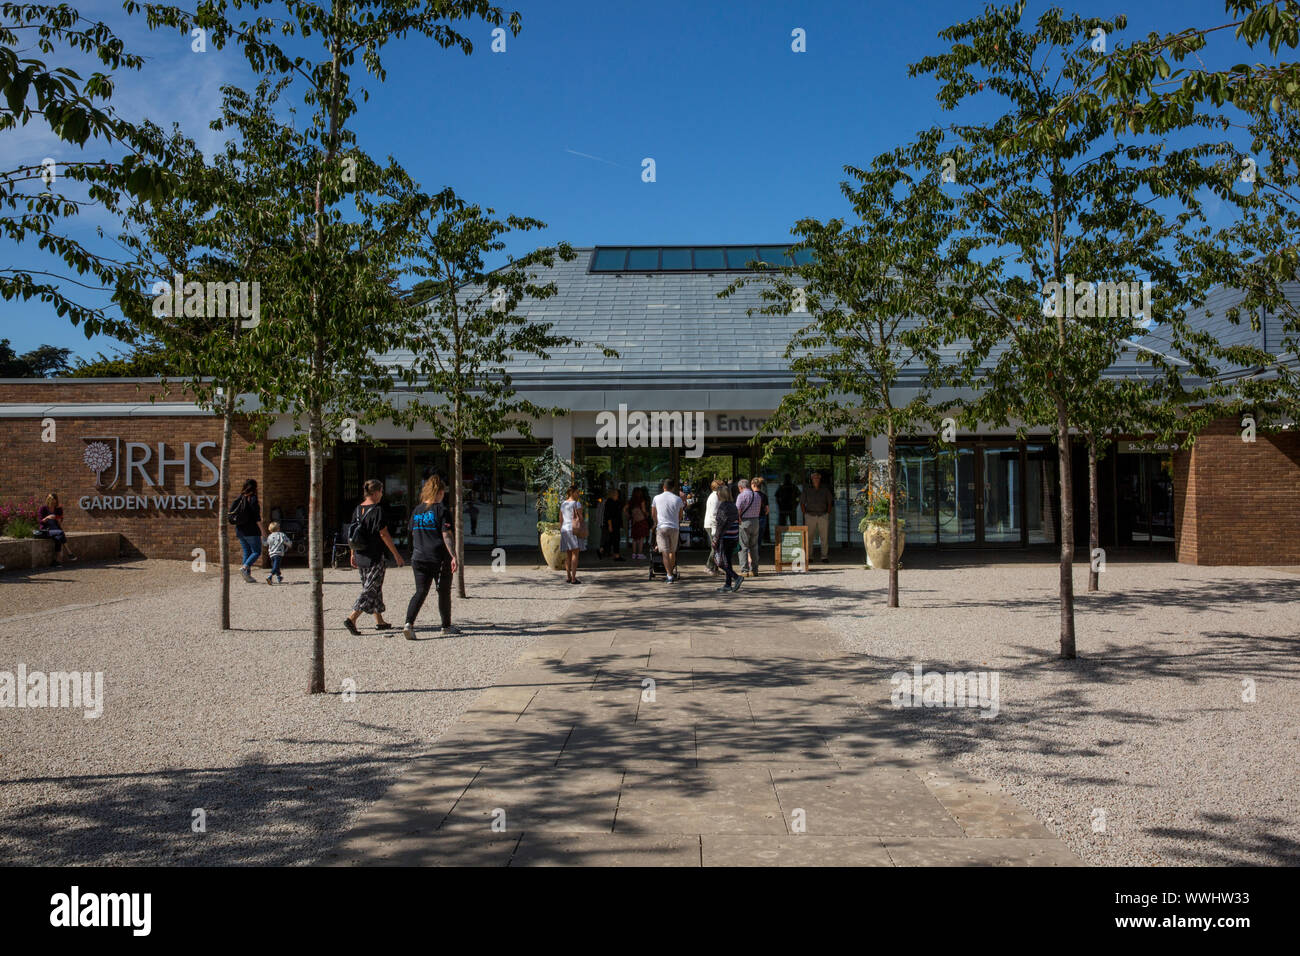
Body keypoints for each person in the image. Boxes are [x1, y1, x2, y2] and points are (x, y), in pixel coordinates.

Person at [344, 479, 404, 635]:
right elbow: (383, 534)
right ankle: (352, 618)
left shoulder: (358, 509)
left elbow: (352, 533)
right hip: (374, 556)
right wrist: (396, 554)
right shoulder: (377, 510)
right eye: (382, 491)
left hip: (360, 553)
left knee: (372, 586)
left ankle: (379, 621)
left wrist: (352, 554)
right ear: (376, 492)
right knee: (370, 589)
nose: (382, 494)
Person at [404, 473, 459, 639]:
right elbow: (446, 535)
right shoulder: (442, 510)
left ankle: (408, 623)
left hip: (418, 556)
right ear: (440, 492)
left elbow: (412, 533)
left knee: (420, 591)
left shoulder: (417, 510)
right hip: (439, 557)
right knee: (443, 592)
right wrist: (454, 555)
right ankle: (446, 626)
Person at [229, 479, 265, 583]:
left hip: (240, 530)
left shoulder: (240, 497)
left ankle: (247, 576)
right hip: (252, 531)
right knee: (256, 551)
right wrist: (263, 532)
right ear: (255, 487)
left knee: (247, 552)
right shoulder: (253, 499)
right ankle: (245, 568)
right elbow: (257, 518)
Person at [651, 477, 685, 582]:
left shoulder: (656, 498)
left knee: (664, 553)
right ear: (673, 488)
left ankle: (669, 575)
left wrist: (656, 522)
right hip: (674, 527)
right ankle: (671, 572)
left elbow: (653, 514)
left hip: (661, 527)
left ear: (663, 487)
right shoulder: (678, 499)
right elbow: (680, 516)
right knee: (672, 552)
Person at [711, 485, 743, 593]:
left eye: (717, 493)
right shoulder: (733, 506)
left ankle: (736, 577)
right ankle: (728, 584)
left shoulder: (723, 506)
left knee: (720, 562)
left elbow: (720, 525)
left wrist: (715, 539)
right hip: (733, 536)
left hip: (725, 537)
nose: (716, 495)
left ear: (721, 494)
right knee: (728, 561)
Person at [801, 470, 834, 563]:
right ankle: (810, 557)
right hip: (810, 515)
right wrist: (805, 514)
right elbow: (802, 502)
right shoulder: (807, 489)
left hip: (823, 515)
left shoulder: (825, 489)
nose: (815, 479)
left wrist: (828, 512)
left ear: (820, 478)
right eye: (814, 477)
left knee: (824, 537)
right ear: (811, 479)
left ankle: (824, 556)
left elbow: (830, 501)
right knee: (809, 537)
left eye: (817, 477)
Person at [36, 493, 76, 565]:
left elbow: (60, 521)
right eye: (51, 502)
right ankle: (69, 552)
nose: (53, 504)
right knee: (60, 533)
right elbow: (40, 521)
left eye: (54, 502)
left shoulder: (58, 509)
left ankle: (56, 561)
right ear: (48, 501)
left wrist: (59, 520)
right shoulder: (43, 509)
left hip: (55, 529)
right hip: (46, 531)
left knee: (58, 538)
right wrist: (47, 517)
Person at [735, 477, 764, 576]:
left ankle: (744, 570)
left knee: (743, 547)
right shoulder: (757, 496)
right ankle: (755, 570)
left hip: (744, 522)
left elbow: (737, 511)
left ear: (740, 487)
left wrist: (738, 520)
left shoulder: (741, 496)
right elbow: (759, 510)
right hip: (756, 521)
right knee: (754, 546)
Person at [559, 485, 587, 584]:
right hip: (574, 529)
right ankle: (574, 578)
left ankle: (568, 576)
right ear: (572, 493)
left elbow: (560, 519)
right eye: (577, 492)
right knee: (575, 554)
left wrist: (561, 529)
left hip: (564, 529)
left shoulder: (563, 504)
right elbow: (581, 518)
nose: (578, 494)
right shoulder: (577, 504)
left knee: (568, 554)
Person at [702, 479, 723, 575]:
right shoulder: (715, 497)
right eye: (722, 485)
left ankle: (714, 567)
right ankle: (709, 566)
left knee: (716, 546)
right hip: (712, 525)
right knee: (715, 547)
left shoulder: (716, 496)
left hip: (712, 524)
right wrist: (716, 527)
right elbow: (714, 513)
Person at [600, 488, 624, 561]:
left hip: (616, 524)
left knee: (613, 539)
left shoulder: (616, 502)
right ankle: (615, 555)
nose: (617, 495)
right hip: (612, 524)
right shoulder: (609, 502)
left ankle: (606, 551)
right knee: (614, 539)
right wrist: (610, 525)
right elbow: (608, 515)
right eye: (616, 494)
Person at [627, 487, 651, 559]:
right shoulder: (641, 500)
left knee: (635, 538)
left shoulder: (631, 501)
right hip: (641, 520)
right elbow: (643, 510)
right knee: (641, 538)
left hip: (634, 521)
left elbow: (624, 509)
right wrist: (647, 514)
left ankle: (634, 554)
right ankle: (640, 553)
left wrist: (630, 515)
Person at [754, 476, 771, 545]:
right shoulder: (764, 495)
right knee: (759, 537)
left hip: (754, 518)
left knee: (753, 537)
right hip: (762, 517)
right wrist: (764, 514)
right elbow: (767, 510)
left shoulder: (752, 495)